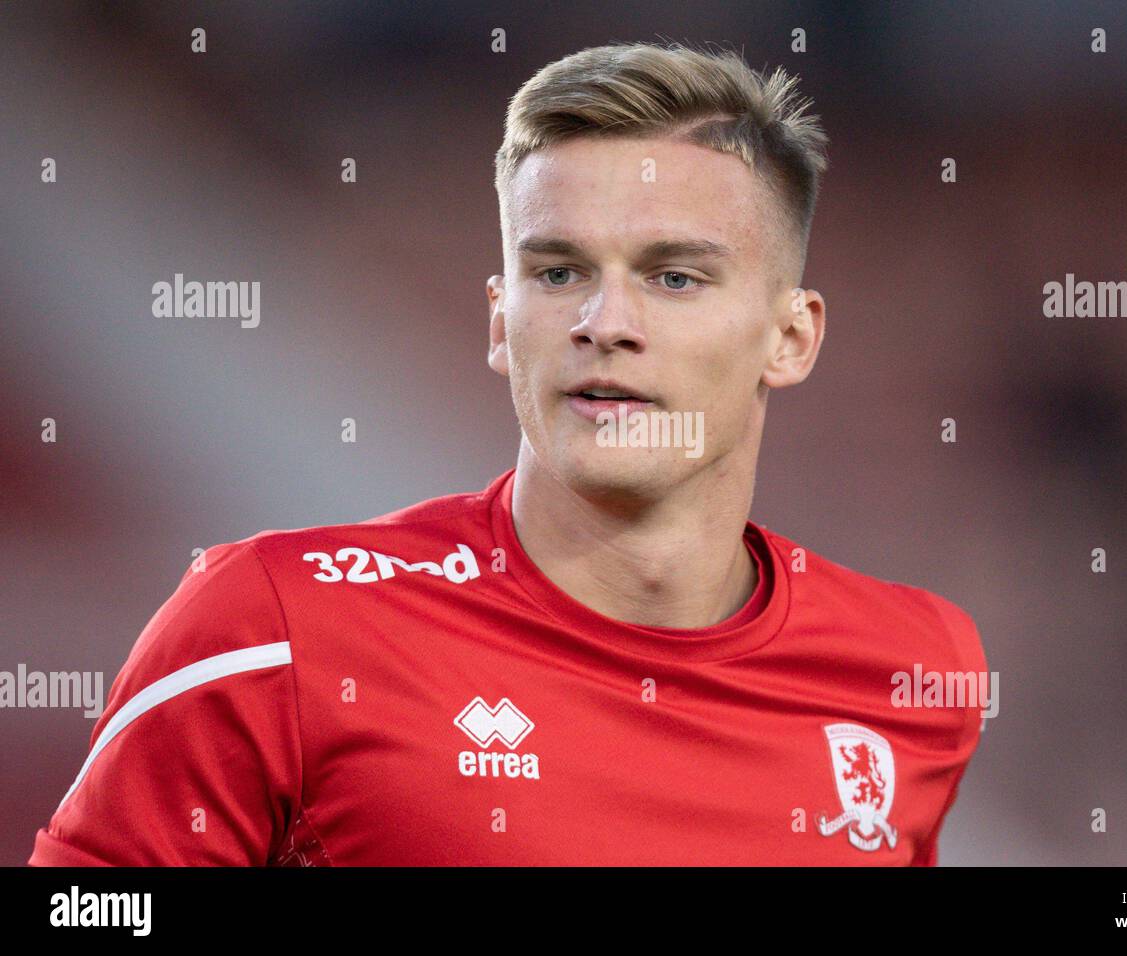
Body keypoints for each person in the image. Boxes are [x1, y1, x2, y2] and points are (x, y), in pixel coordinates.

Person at [29, 40, 986, 866]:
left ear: (791, 337)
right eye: (559, 271)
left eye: (676, 276)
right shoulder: (277, 626)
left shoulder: (912, 669)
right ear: (500, 320)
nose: (604, 324)